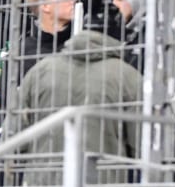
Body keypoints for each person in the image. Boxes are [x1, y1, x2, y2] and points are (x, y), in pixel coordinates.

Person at [18, 30, 143, 186]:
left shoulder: (41, 70)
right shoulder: (128, 77)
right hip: (104, 179)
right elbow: (141, 144)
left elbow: (15, 135)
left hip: (44, 179)